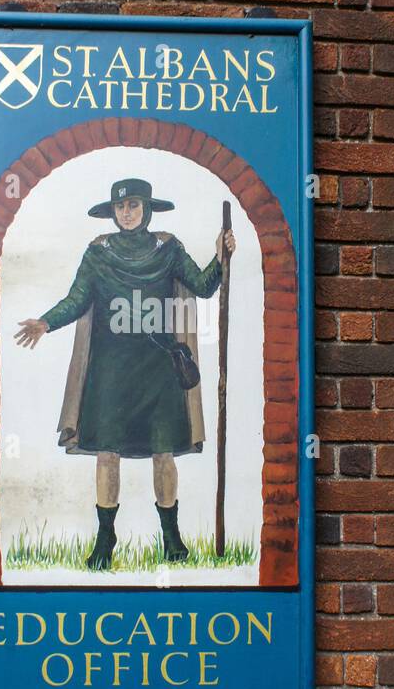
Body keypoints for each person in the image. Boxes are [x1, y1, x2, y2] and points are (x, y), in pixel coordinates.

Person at [15, 177, 235, 570]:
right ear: (113, 212)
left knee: (164, 453)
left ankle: (171, 538)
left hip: (158, 369)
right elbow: (76, 299)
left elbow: (202, 286)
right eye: (121, 207)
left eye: (134, 205)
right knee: (106, 455)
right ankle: (105, 538)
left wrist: (220, 258)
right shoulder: (98, 253)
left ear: (146, 209)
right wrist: (46, 323)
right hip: (111, 371)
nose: (127, 212)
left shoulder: (168, 247)